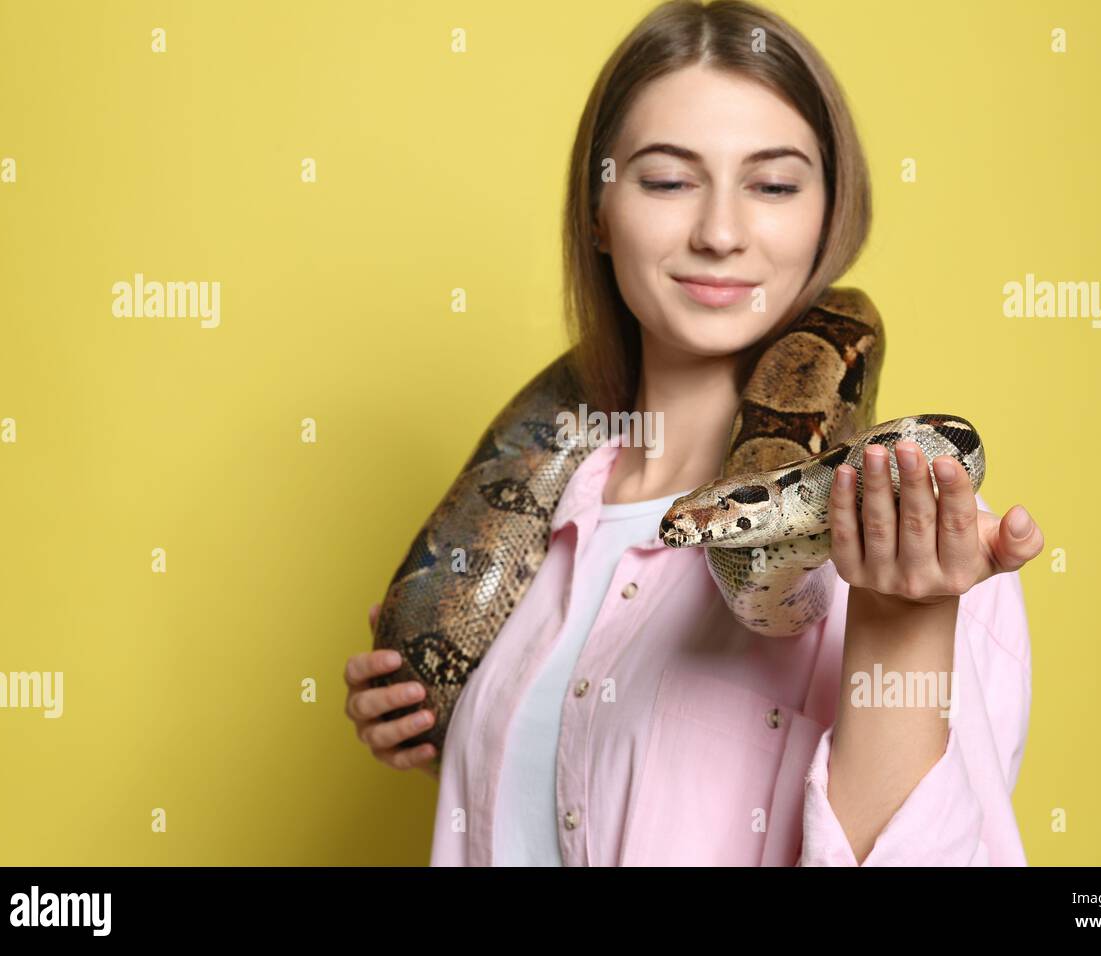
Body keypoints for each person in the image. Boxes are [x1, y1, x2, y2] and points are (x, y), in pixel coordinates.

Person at [344, 0, 1043, 866]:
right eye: (668, 180)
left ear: (830, 215)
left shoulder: (909, 534)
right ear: (599, 214)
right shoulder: (540, 541)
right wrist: (461, 726)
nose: (719, 233)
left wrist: (903, 623)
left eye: (775, 184)